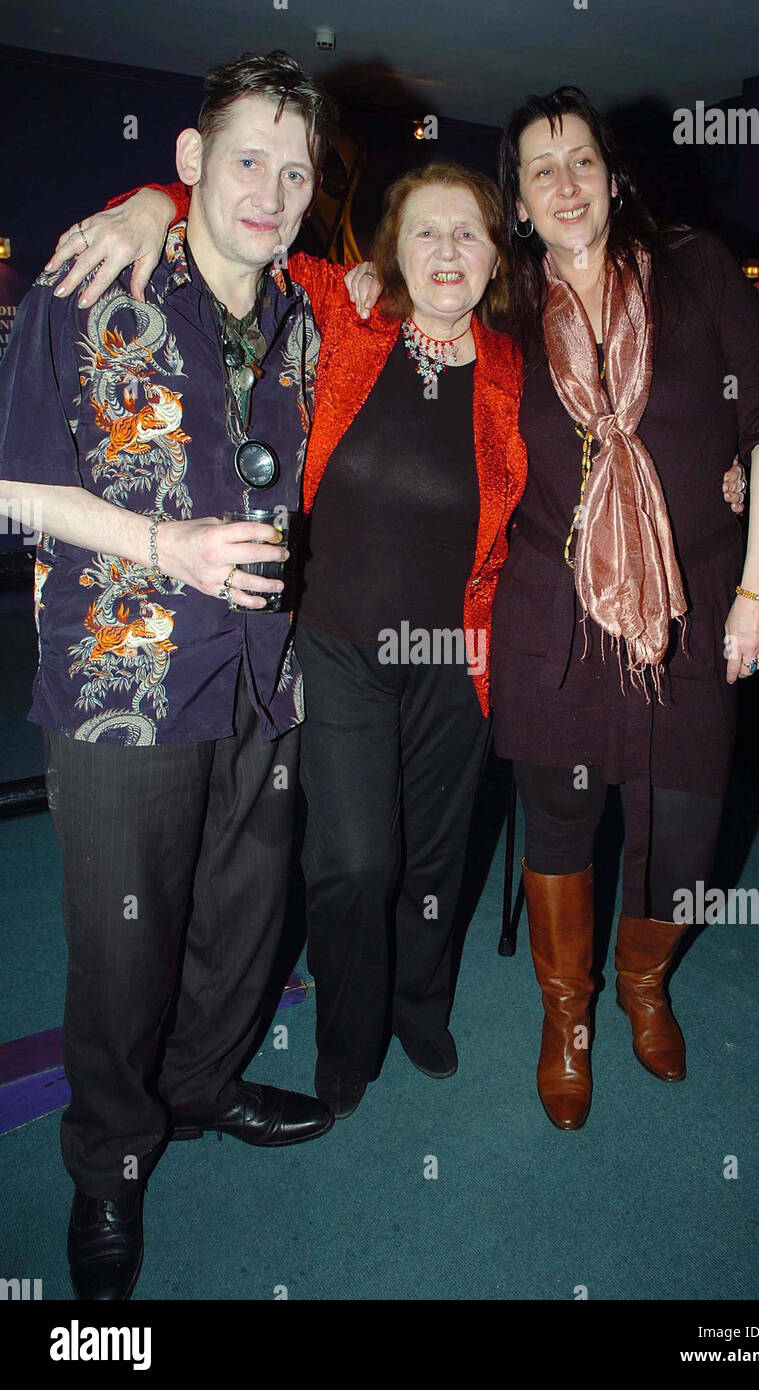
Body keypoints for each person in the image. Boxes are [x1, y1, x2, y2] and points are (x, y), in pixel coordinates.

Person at [54, 161, 528, 1119]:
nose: (446, 251)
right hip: (338, 643)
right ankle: (349, 1036)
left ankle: (419, 1003)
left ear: (492, 257)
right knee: (355, 858)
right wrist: (151, 203)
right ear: (388, 249)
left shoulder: (516, 367)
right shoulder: (342, 313)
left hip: (458, 652)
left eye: (468, 233)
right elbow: (243, 227)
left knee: (435, 856)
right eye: (425, 231)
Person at [0, 51, 338, 1301]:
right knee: (122, 944)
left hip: (264, 671)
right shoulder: (89, 281)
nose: (273, 187)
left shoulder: (303, 313)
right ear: (189, 163)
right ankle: (107, 1163)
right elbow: (12, 483)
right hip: (123, 674)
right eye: (247, 157)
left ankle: (201, 1082)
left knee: (244, 918)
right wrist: (166, 547)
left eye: (296, 169)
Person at [489, 87, 759, 1129]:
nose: (565, 184)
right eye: (542, 170)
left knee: (684, 818)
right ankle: (566, 1014)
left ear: (613, 177)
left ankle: (641, 984)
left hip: (697, 594)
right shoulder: (501, 300)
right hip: (554, 603)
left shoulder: (695, 269)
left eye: (580, 160)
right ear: (520, 203)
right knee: (563, 816)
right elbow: (385, 289)